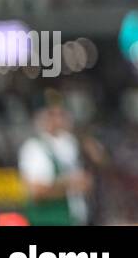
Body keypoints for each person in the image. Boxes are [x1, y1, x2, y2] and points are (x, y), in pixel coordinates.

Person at [17, 95, 92, 226]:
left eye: (61, 114)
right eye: (52, 115)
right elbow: (36, 192)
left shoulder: (69, 143)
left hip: (73, 219)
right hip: (48, 220)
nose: (58, 120)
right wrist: (69, 184)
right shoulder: (35, 148)